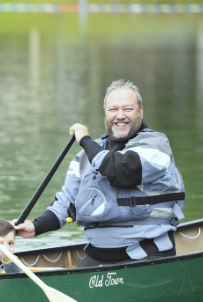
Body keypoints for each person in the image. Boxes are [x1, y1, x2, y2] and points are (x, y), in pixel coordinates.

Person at [14, 79, 185, 268]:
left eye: (128, 109)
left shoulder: (156, 145)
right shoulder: (85, 156)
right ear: (105, 113)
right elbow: (66, 202)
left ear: (140, 111)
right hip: (97, 256)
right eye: (113, 110)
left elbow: (120, 170)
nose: (120, 116)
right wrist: (35, 226)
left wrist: (85, 140)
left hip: (146, 254)